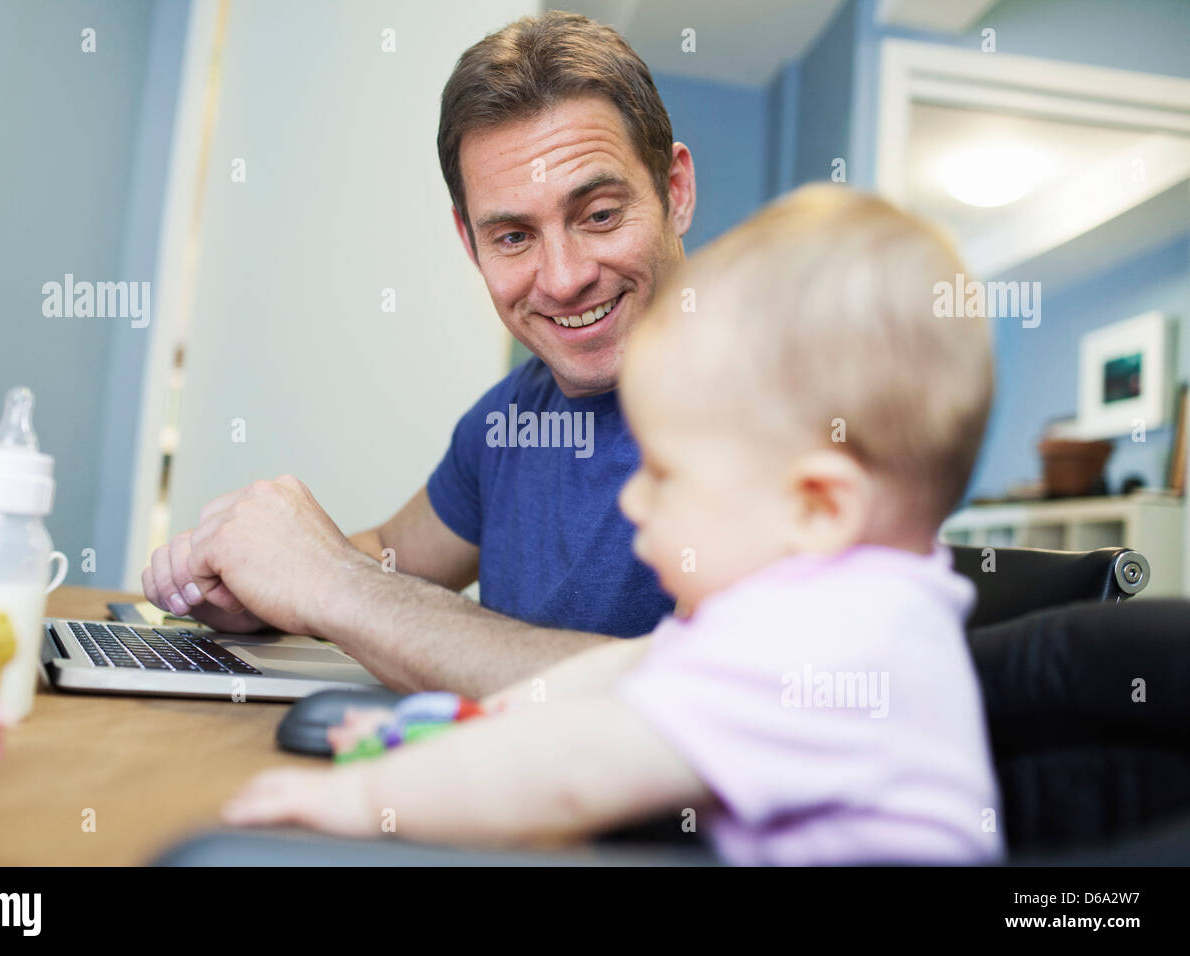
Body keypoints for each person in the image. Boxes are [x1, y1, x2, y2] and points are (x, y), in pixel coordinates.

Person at [220, 185, 1005, 866]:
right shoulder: (836, 606)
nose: (635, 498)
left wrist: (366, 803)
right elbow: (618, 677)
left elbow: (567, 773)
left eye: (665, 473)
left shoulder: (830, 648)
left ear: (818, 507)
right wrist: (464, 721)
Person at [142, 13, 697, 698]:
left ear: (675, 192)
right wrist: (261, 587)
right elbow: (390, 557)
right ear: (470, 242)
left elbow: (689, 701)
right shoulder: (508, 419)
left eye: (600, 215)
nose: (562, 278)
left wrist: (330, 584)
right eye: (514, 236)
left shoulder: (791, 399)